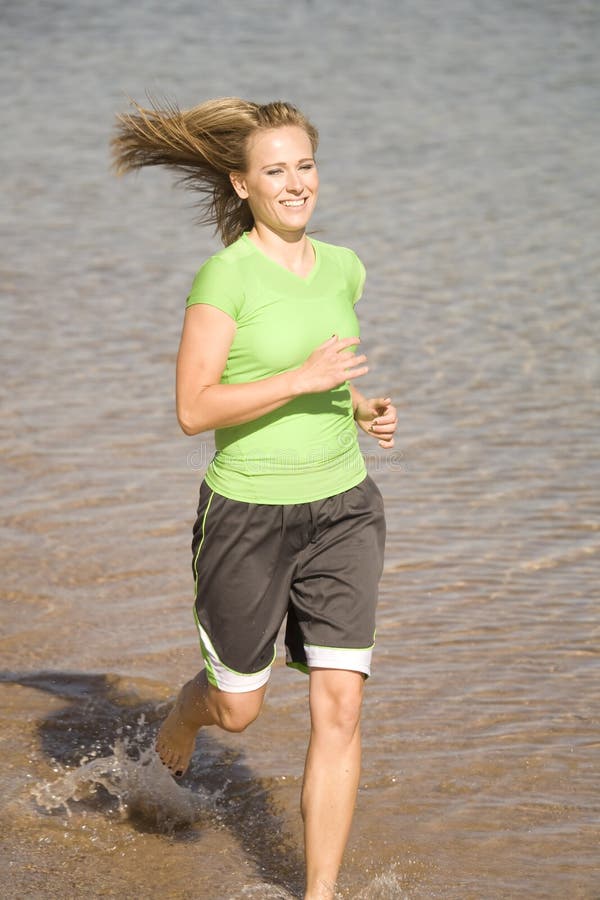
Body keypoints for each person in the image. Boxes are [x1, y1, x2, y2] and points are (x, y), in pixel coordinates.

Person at [112, 97, 397, 900]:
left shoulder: (345, 266)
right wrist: (302, 380)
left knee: (339, 707)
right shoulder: (225, 277)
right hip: (248, 518)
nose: (296, 182)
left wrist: (362, 408)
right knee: (240, 710)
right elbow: (194, 408)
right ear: (241, 185)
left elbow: (327, 381)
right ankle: (185, 712)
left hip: (344, 507)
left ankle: (320, 894)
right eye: (276, 170)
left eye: (305, 165)